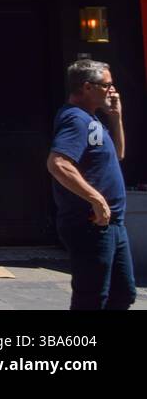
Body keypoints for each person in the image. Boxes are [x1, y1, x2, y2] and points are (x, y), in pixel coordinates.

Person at [47, 58, 135, 310]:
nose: (112, 90)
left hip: (112, 222)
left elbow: (118, 154)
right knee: (92, 297)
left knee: (123, 294)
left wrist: (116, 117)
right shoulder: (75, 119)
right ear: (87, 87)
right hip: (90, 222)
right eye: (107, 85)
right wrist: (96, 200)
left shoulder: (93, 119)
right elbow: (58, 164)